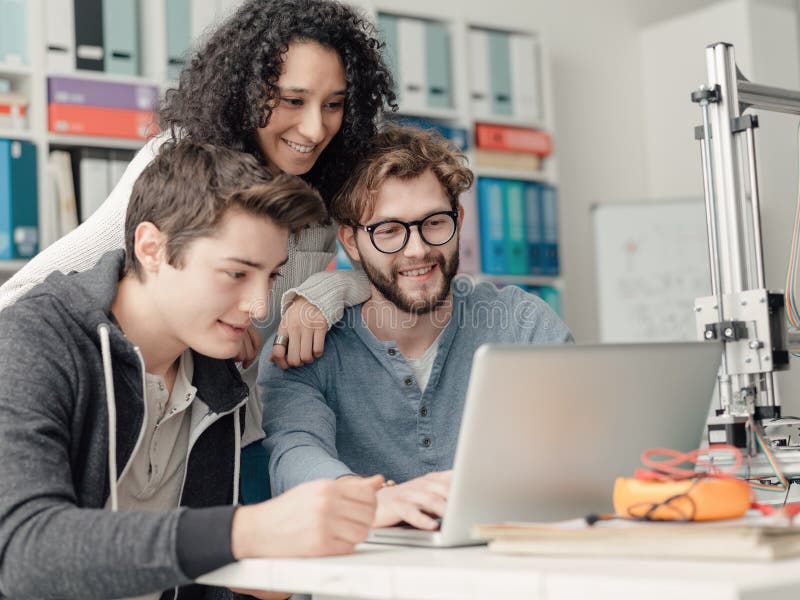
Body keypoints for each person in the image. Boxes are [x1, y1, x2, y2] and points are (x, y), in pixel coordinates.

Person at [0, 0, 395, 500]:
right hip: (134, 418)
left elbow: (404, 266)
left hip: (233, 428)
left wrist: (324, 290)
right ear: (245, 91)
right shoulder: (183, 168)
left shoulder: (326, 184)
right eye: (293, 101)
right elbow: (25, 299)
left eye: (333, 104)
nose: (316, 128)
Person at [0, 141, 383, 600]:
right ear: (151, 248)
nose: (259, 306)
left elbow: (192, 576)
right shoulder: (33, 342)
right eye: (236, 274)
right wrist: (243, 531)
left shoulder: (216, 374)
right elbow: (22, 552)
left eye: (271, 276)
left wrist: (265, 577)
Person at [261, 126, 573, 530]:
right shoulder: (307, 345)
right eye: (389, 230)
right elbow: (294, 453)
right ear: (351, 242)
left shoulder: (523, 324)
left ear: (458, 220)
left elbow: (578, 451)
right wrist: (371, 499)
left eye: (434, 223)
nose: (418, 249)